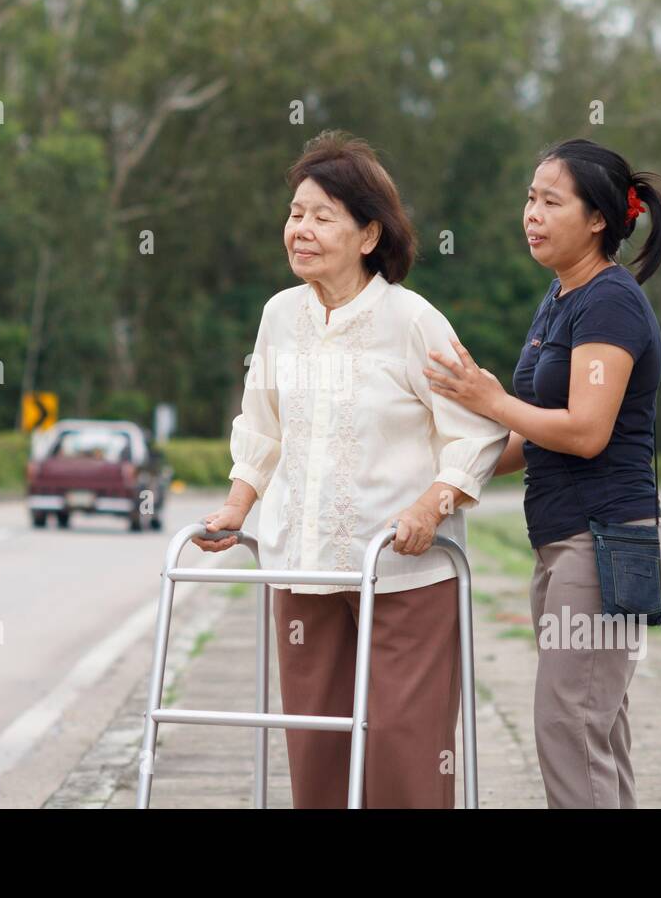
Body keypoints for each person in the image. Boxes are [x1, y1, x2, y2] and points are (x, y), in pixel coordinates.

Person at [193, 129, 507, 808]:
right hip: (303, 566)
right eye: (295, 214)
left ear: (368, 235)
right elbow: (262, 426)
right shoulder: (279, 316)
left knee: (403, 742)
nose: (300, 229)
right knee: (316, 743)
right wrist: (237, 505)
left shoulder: (412, 320)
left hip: (400, 568)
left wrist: (433, 504)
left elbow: (477, 431)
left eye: (321, 217)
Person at [423, 138, 661, 808]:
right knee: (592, 725)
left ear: (596, 219)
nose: (531, 213)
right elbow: (533, 435)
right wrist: (449, 479)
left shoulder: (610, 302)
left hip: (606, 540)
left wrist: (489, 399)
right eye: (530, 198)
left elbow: (587, 432)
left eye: (550, 201)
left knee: (570, 723)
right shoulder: (561, 298)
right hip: (563, 541)